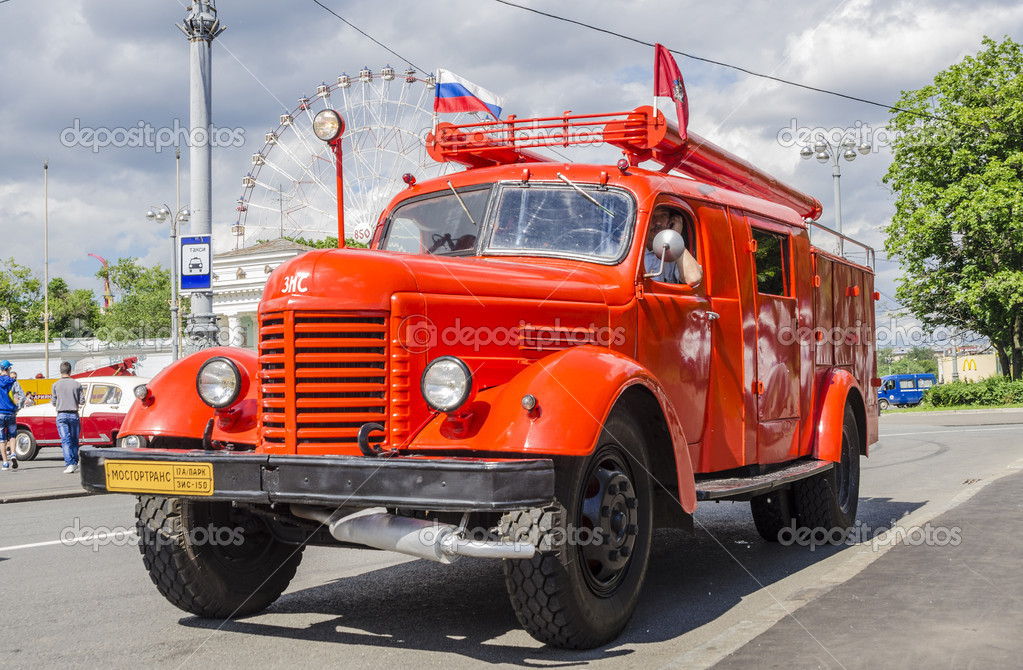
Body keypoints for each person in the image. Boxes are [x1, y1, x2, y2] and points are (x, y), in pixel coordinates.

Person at [645, 206, 704, 286]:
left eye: (663, 215)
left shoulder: (673, 251)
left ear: (671, 219)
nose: (658, 222)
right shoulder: (629, 250)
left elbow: (693, 278)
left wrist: (675, 236)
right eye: (652, 215)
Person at [52, 361, 85, 474]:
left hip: (61, 415)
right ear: (70, 371)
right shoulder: (77, 384)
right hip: (74, 414)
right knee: (75, 440)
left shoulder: (55, 385)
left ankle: (69, 463)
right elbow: (82, 401)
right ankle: (75, 462)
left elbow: (53, 402)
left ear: (60, 371)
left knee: (65, 441)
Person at [0, 360, 18, 471]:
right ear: (8, 369)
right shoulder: (13, 381)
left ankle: (5, 463)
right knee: (12, 435)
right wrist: (17, 407)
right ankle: (13, 454)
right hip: (10, 412)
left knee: (1, 439)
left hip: (0, 413)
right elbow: (19, 396)